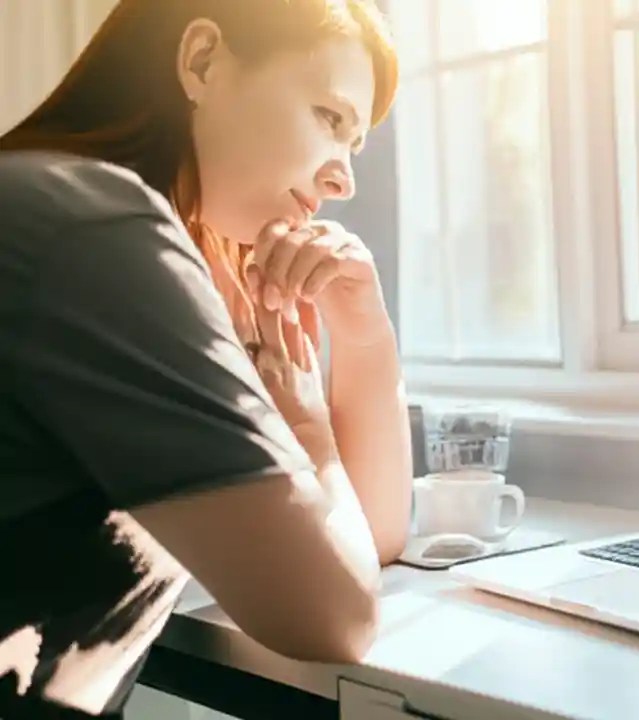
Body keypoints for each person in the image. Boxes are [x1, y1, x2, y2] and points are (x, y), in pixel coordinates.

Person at [0, 0, 413, 716]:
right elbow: (336, 615)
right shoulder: (94, 231)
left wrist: (364, 332)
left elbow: (369, 539)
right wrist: (311, 437)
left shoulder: (66, 206)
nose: (344, 180)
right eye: (329, 116)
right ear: (201, 62)